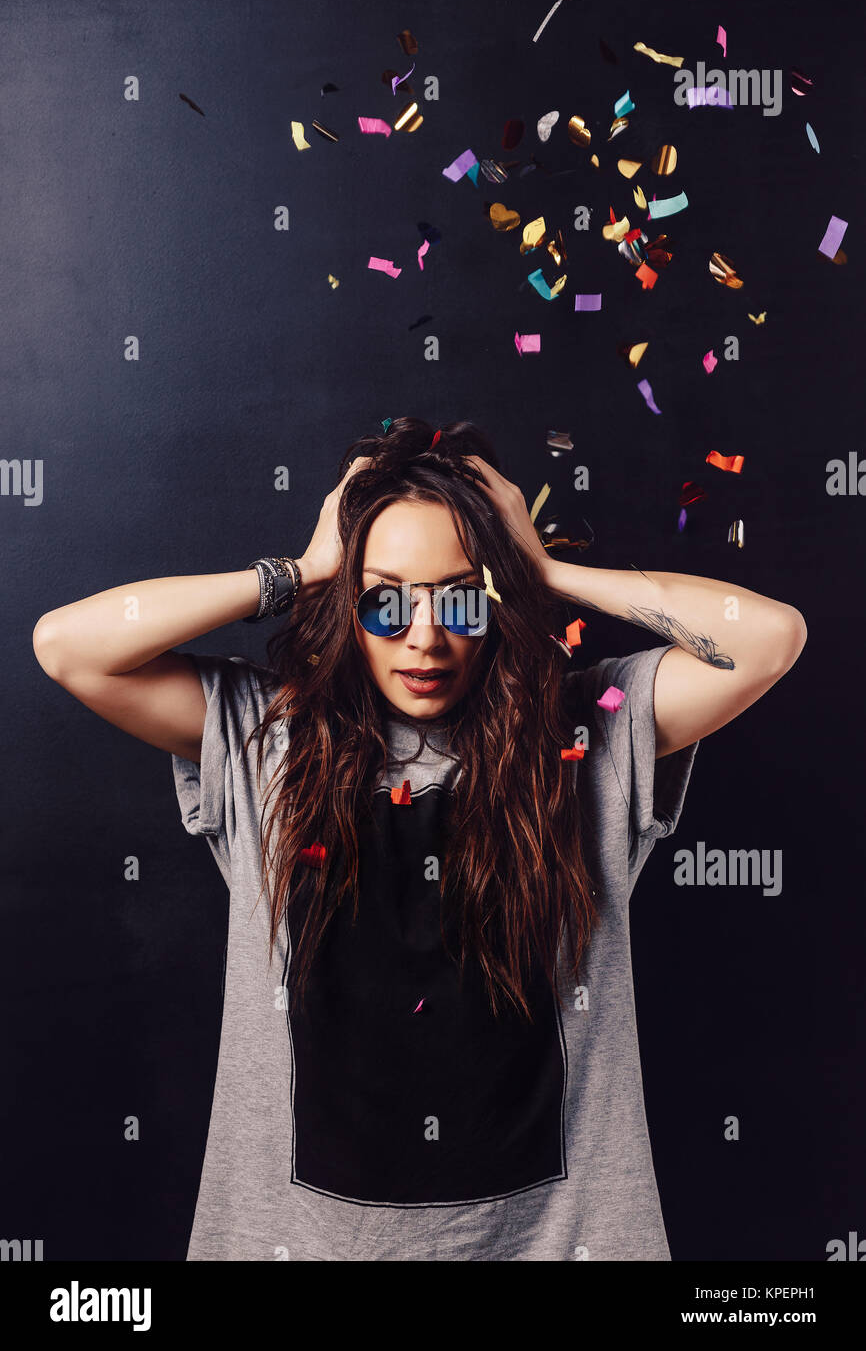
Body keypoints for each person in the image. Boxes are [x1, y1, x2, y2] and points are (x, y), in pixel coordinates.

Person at [31, 415, 807, 1261]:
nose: (425, 636)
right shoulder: (267, 735)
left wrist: (544, 569)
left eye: (462, 596)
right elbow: (69, 647)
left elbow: (768, 639)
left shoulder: (588, 735)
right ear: (347, 602)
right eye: (385, 599)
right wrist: (299, 571)